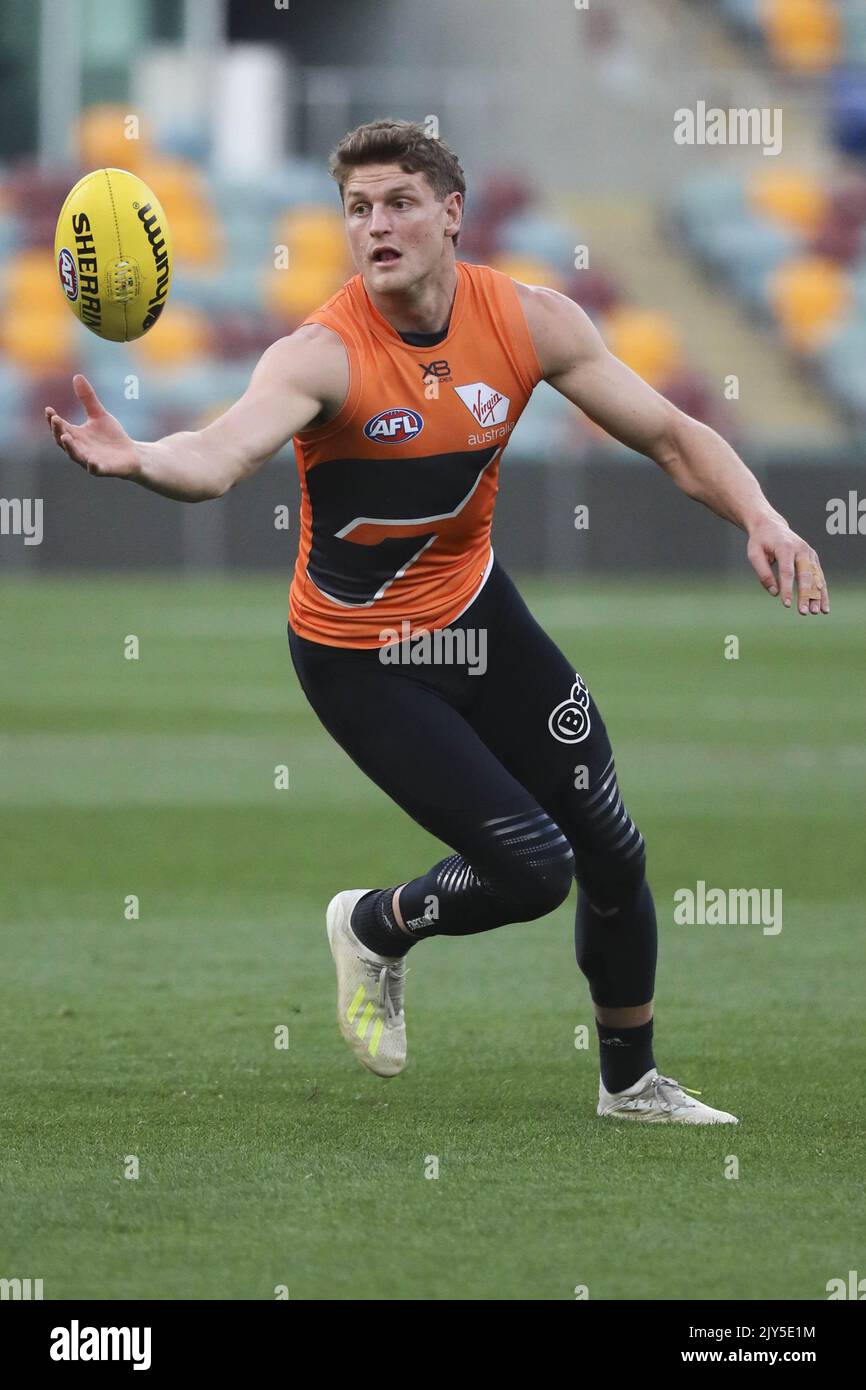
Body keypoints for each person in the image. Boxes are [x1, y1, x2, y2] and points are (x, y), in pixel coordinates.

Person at [45, 119, 829, 1124]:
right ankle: (374, 925)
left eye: (398, 204)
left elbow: (672, 437)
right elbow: (221, 452)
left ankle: (629, 1083)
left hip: (475, 613)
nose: (375, 225)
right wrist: (145, 457)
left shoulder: (526, 319)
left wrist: (759, 514)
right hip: (360, 657)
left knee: (612, 843)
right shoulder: (320, 353)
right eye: (358, 209)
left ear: (450, 214)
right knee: (532, 868)